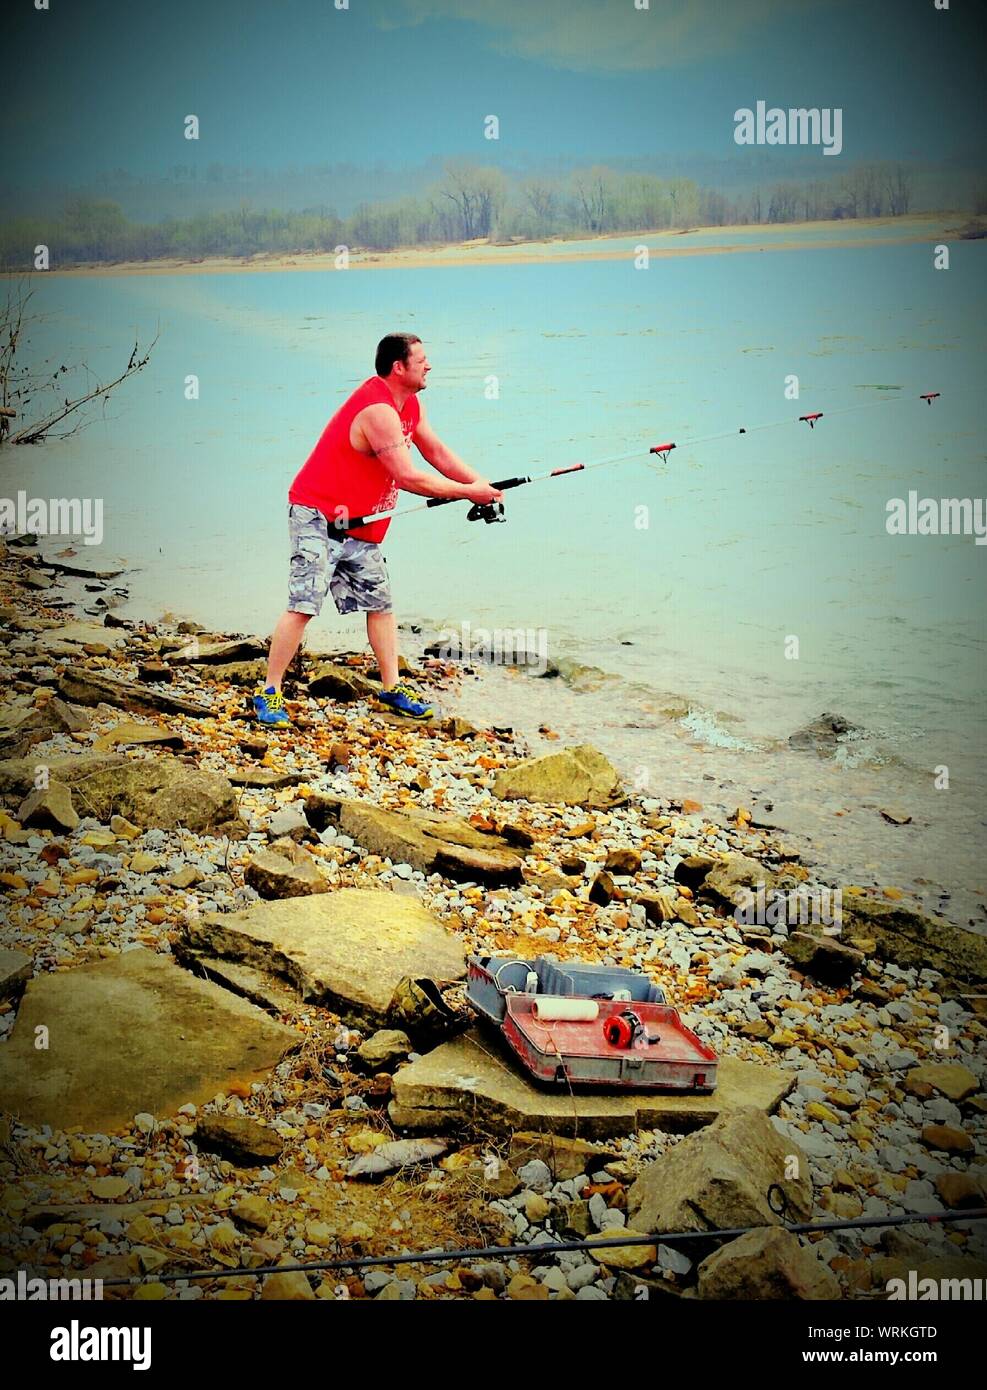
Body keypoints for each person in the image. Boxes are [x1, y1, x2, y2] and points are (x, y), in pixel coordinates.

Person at [254, 333, 502, 725]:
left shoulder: (410, 406)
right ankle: (268, 692)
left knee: (380, 605)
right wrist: (470, 493)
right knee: (304, 604)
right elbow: (406, 477)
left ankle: (391, 688)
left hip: (361, 522)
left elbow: (436, 453)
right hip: (318, 515)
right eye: (421, 360)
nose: (429, 365)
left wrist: (485, 487)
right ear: (398, 367)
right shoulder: (377, 410)